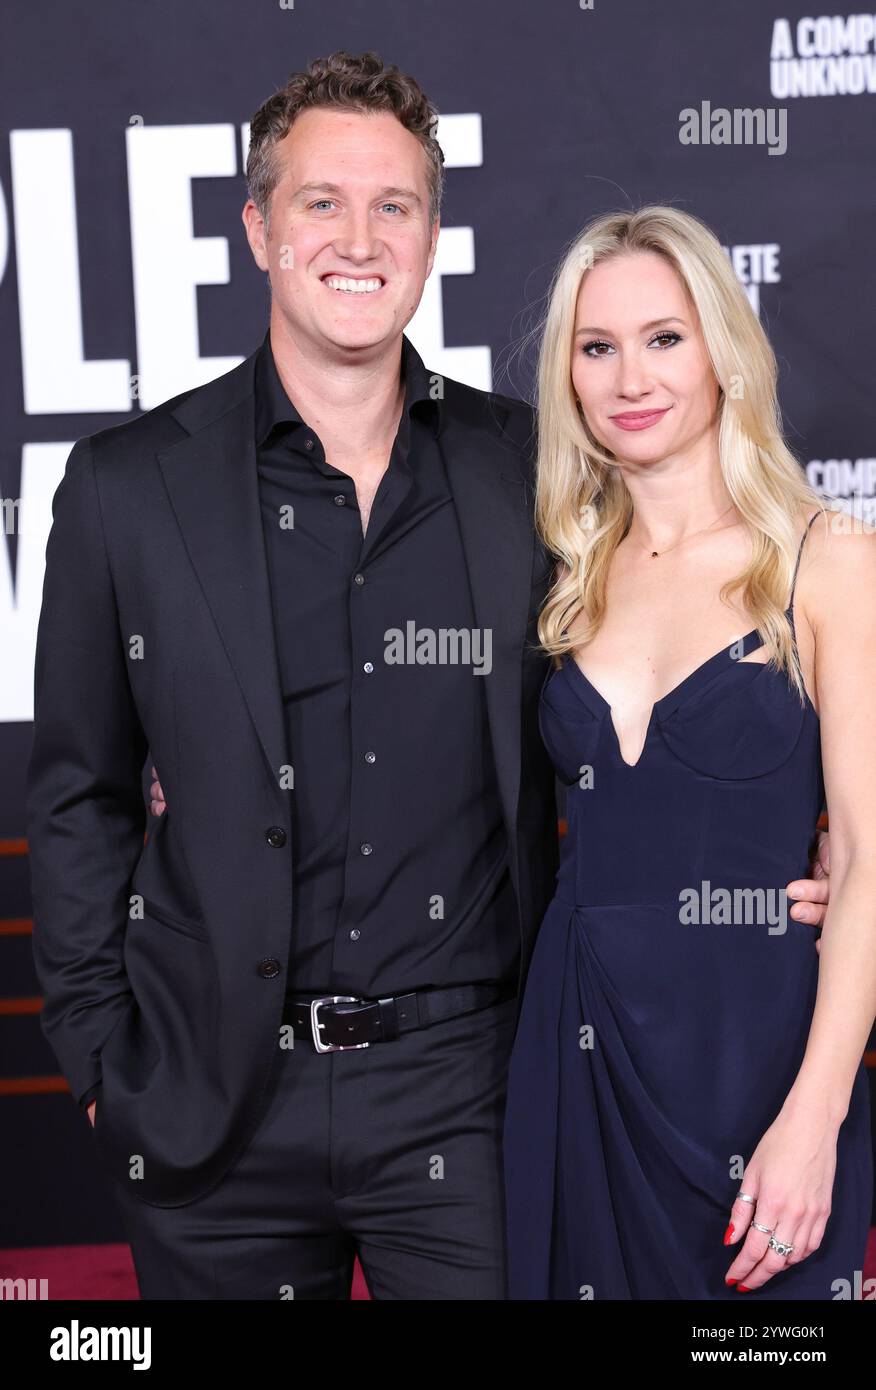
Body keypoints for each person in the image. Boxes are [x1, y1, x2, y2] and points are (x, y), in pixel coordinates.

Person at [26, 51, 832, 1301]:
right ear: (256, 227)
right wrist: (96, 1061)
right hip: (210, 1106)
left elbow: (695, 642)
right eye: (320, 202)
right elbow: (78, 792)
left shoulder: (536, 478)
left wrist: (801, 847)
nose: (360, 237)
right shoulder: (128, 490)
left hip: (473, 1095)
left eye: (393, 205)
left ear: (434, 234)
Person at [502, 205, 875, 1300]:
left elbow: (862, 859)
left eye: (665, 337)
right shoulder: (560, 573)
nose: (631, 377)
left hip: (762, 1058)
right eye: (597, 346)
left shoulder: (828, 560)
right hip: (575, 1049)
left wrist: (817, 1112)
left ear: (724, 349)